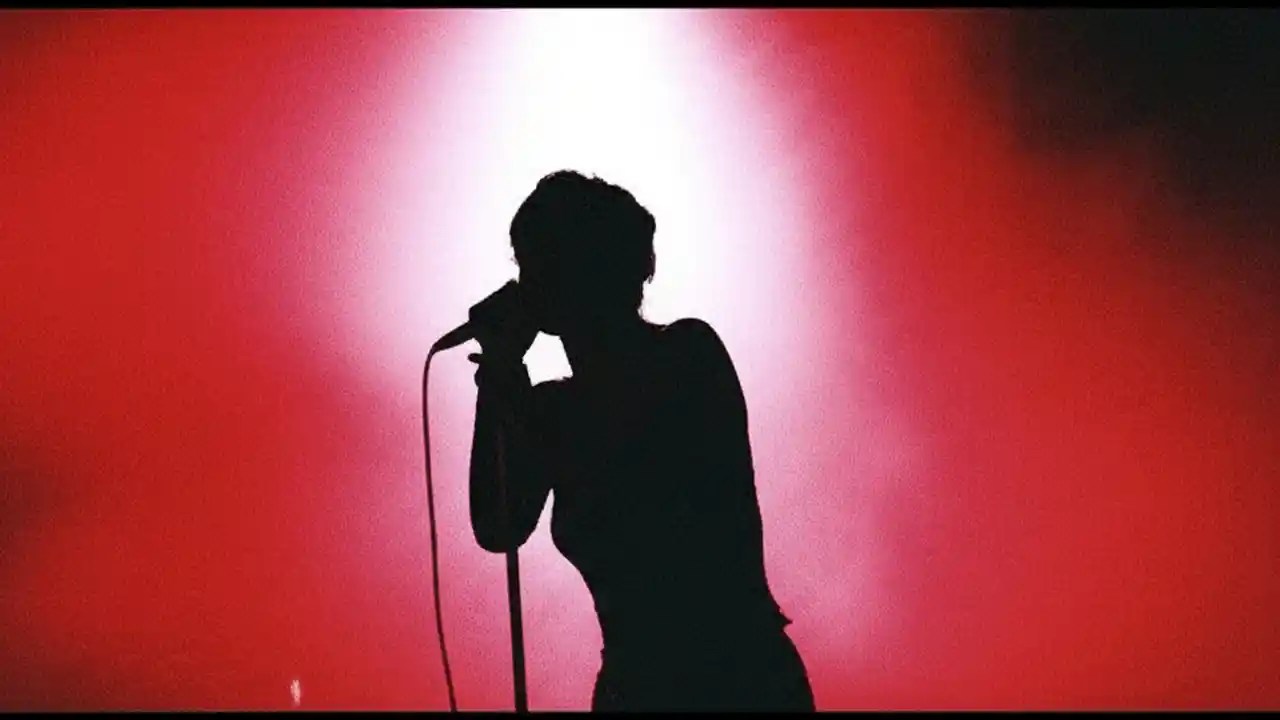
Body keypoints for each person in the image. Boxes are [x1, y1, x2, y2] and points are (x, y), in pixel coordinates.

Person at [466, 170, 814, 712]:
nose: (524, 282)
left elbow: (622, 448)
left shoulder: (687, 355)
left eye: (536, 261)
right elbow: (498, 526)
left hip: (734, 679)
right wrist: (499, 379)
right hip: (634, 688)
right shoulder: (554, 408)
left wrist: (515, 391)